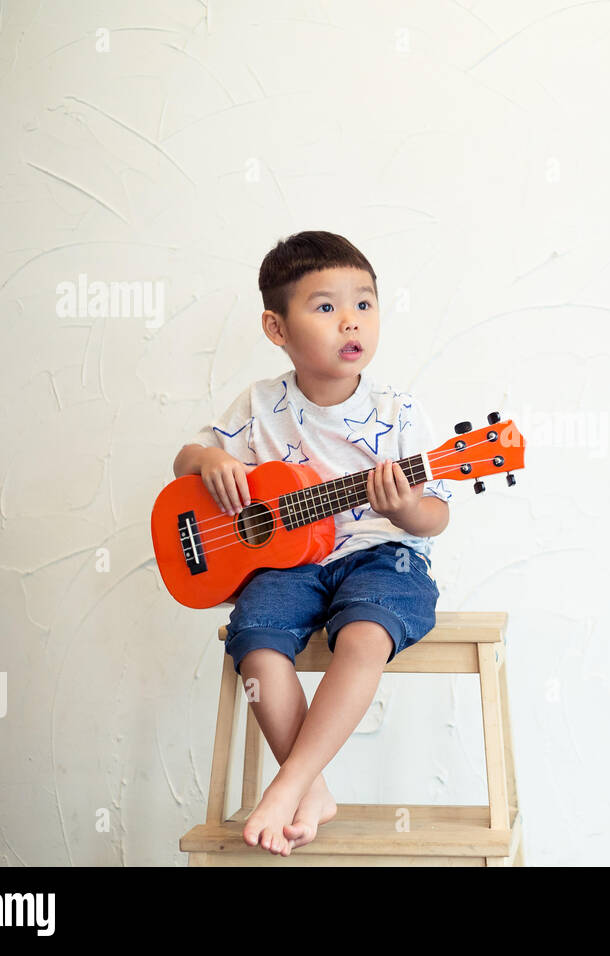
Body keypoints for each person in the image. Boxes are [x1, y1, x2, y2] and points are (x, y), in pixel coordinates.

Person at [171, 231, 453, 856]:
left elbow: (437, 517)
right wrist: (211, 458)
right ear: (276, 327)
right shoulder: (261, 404)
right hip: (287, 562)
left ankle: (288, 782)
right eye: (325, 307)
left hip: (380, 555)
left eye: (365, 303)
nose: (350, 320)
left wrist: (406, 507)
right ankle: (315, 787)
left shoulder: (399, 412)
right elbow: (184, 458)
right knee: (256, 639)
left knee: (365, 632)